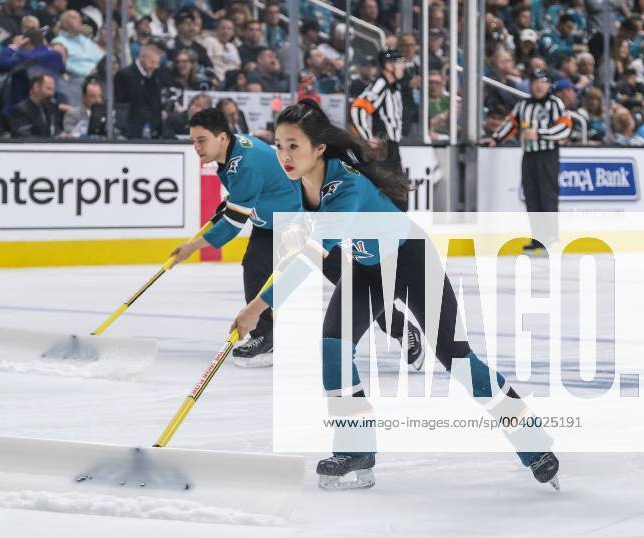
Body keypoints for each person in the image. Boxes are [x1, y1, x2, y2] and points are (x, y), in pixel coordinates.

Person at [231, 99, 560, 490]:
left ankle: (532, 439)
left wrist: (257, 306)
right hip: (365, 268)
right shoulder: (300, 181)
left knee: (455, 358)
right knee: (334, 348)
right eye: (279, 145)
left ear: (319, 148)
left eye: (293, 146)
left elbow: (310, 254)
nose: (284, 155)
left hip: (410, 262)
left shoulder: (345, 187)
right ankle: (356, 450)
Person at [169, 108, 303, 365]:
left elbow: (232, 225)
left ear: (221, 137)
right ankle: (265, 336)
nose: (196, 147)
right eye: (193, 141)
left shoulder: (245, 162)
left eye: (201, 140)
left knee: (346, 277)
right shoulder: (232, 151)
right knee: (254, 266)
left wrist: (191, 247)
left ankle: (400, 328)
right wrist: (235, 200)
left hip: (299, 221)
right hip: (270, 221)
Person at [482, 68, 572, 251]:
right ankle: (537, 238)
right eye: (535, 82)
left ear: (548, 84)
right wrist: (495, 138)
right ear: (530, 84)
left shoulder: (555, 104)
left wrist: (539, 134)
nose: (539, 86)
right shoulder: (524, 105)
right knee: (531, 196)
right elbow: (511, 123)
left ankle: (551, 237)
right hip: (529, 156)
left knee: (548, 196)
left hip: (548, 156)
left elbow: (565, 129)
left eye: (543, 82)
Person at [350, 48, 406, 181]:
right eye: (399, 62)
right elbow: (358, 108)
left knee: (397, 189)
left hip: (392, 147)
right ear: (388, 65)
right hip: (383, 149)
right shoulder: (381, 85)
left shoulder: (394, 87)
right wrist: (367, 137)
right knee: (388, 188)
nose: (403, 66)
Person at [114, 44, 164, 139]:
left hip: (153, 130)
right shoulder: (125, 75)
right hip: (131, 131)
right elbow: (121, 105)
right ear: (142, 58)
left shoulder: (156, 76)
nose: (156, 66)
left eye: (157, 63)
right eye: (152, 62)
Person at [9, 73, 62, 137]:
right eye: (48, 89)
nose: (51, 93)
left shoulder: (51, 106)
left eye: (53, 90)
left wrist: (61, 135)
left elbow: (55, 128)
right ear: (36, 87)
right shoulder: (20, 110)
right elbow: (23, 136)